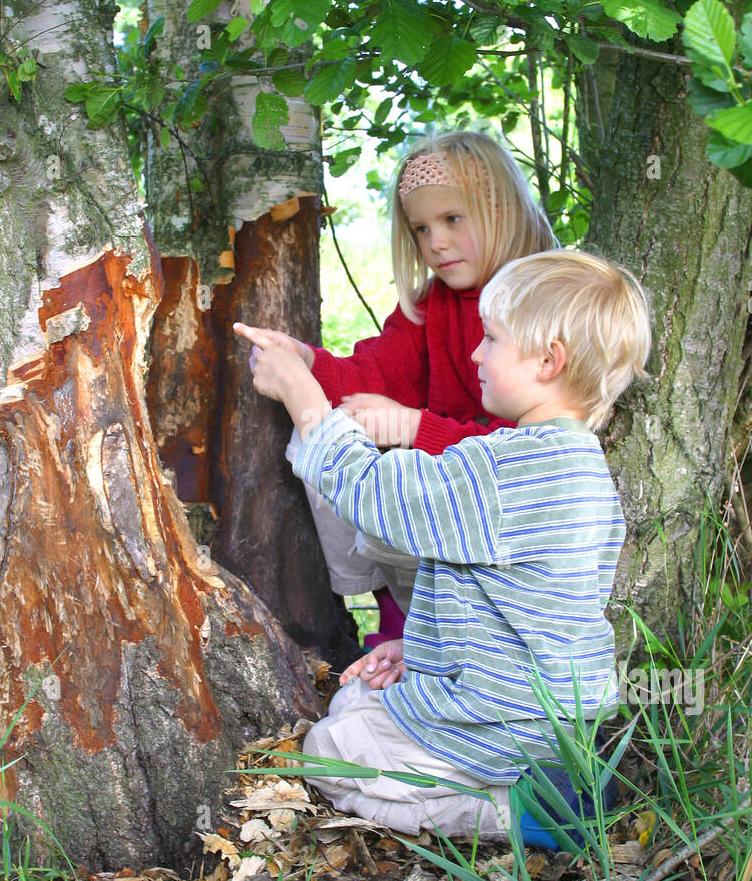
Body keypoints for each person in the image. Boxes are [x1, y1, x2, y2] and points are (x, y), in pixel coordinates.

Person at [234, 248, 651, 846]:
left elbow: (379, 494)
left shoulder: (509, 467)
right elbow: (528, 612)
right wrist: (422, 644)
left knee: (329, 750)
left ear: (547, 360)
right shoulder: (582, 471)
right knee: (353, 702)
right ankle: (555, 779)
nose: (475, 354)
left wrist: (304, 396)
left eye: (492, 339)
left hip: (496, 726)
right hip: (547, 719)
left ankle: (525, 813)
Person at [238, 131, 556, 645]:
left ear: (504, 209)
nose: (436, 243)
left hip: (500, 518)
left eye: (453, 219)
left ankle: (426, 627)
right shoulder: (436, 304)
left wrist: (413, 426)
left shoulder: (542, 304)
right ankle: (394, 611)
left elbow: (518, 454)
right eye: (421, 229)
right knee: (321, 435)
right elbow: (378, 371)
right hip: (443, 485)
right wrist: (307, 360)